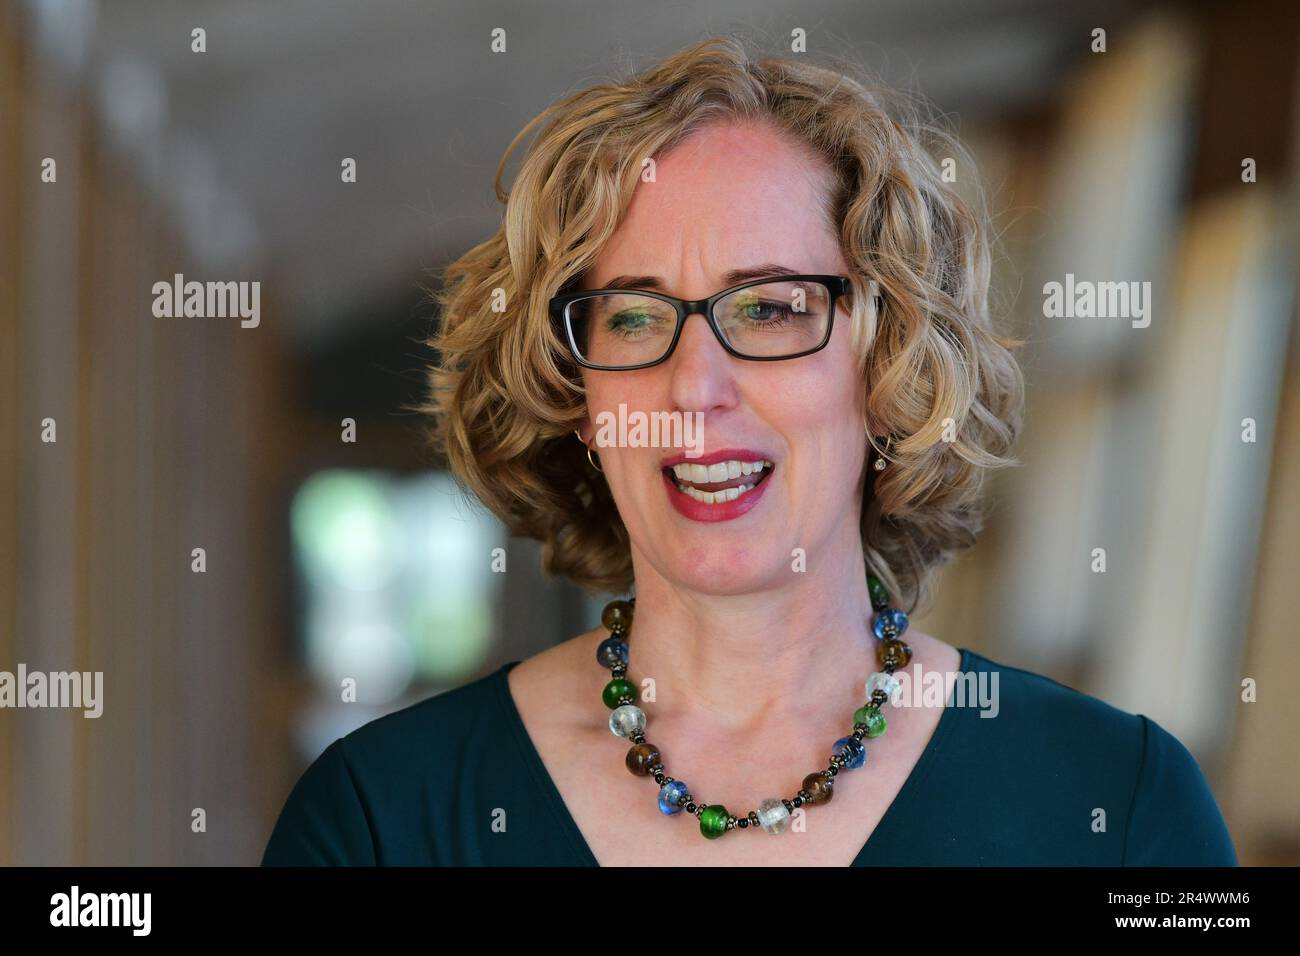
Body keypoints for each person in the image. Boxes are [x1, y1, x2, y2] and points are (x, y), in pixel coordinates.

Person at [262, 36, 1236, 866]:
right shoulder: (381, 820)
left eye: (770, 308)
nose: (697, 386)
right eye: (635, 316)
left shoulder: (1118, 808)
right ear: (577, 393)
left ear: (889, 361)